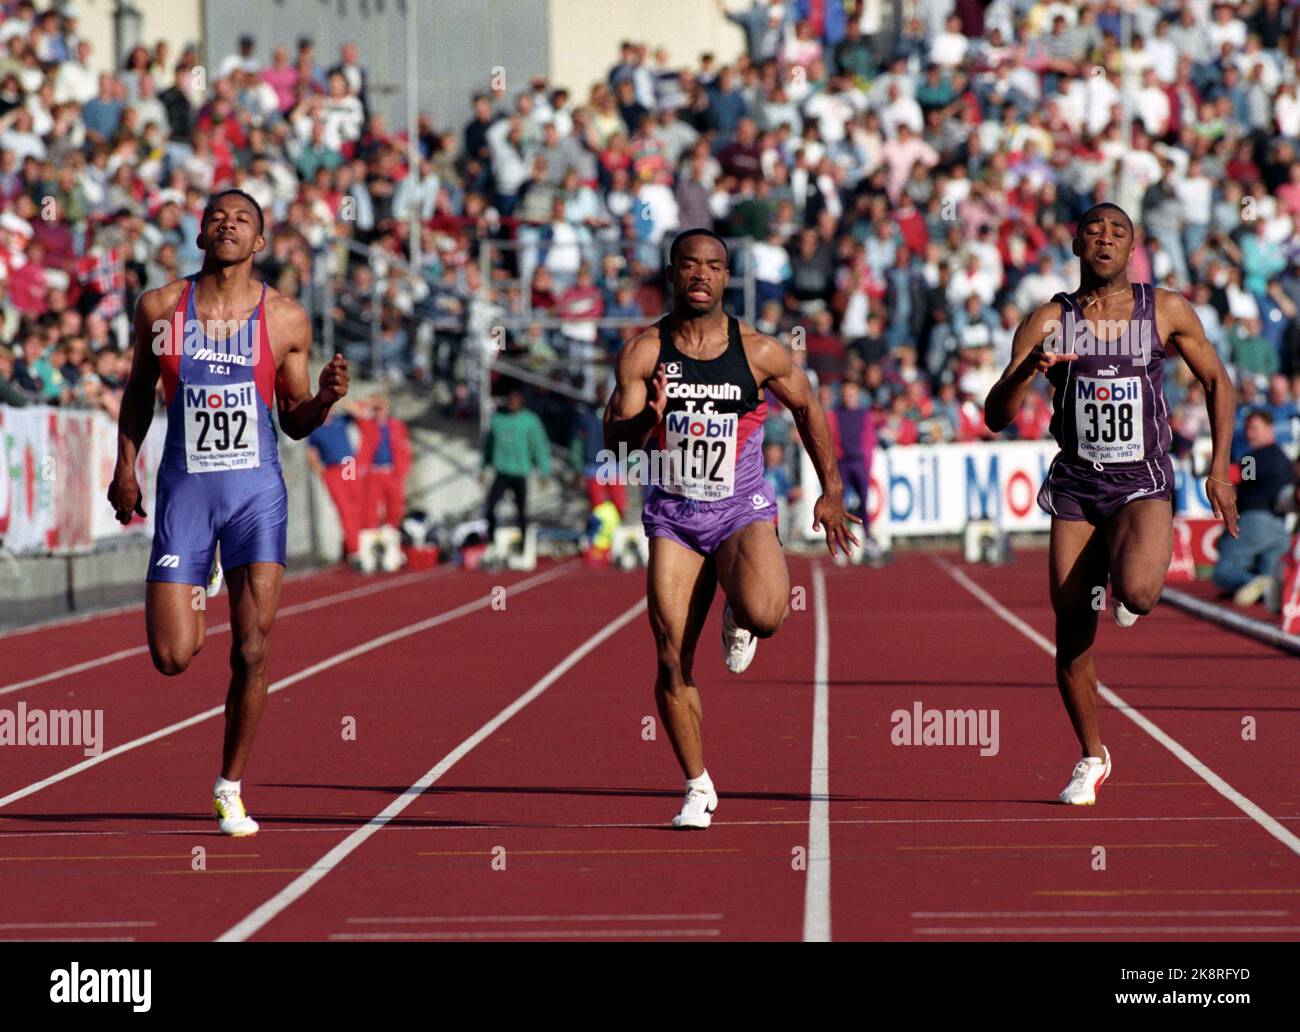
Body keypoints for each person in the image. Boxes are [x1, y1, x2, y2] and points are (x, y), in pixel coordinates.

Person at [108, 188, 349, 836]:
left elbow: (294, 421)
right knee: (171, 655)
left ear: (262, 242)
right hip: (187, 492)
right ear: (199, 235)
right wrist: (124, 464)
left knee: (251, 646)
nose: (228, 225)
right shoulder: (160, 308)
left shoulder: (285, 319)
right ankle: (200, 566)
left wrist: (322, 399)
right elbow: (137, 391)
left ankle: (229, 784)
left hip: (255, 497)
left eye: (243, 219)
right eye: (217, 216)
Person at [984, 203, 1239, 807]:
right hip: (1076, 482)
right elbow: (998, 415)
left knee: (1142, 593)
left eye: (1118, 232)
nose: (1105, 239)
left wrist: (1221, 469)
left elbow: (1217, 381)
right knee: (1071, 630)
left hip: (1141, 477)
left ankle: (1128, 584)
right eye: (1094, 230)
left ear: (1133, 249)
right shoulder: (1050, 318)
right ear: (1075, 244)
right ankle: (1092, 756)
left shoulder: (1164, 310)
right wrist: (1029, 370)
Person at [603, 228, 858, 829]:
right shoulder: (643, 352)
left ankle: (739, 613)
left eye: (712, 266)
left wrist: (832, 489)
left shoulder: (760, 351)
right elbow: (613, 441)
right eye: (688, 265)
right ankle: (697, 786)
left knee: (770, 614)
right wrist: (647, 418)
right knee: (670, 658)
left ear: (725, 277)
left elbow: (807, 406)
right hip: (673, 515)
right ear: (672, 274)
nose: (700, 275)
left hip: (740, 507)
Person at [1212, 409, 1296, 606]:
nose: (1250, 433)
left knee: (1224, 573)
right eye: (1248, 429)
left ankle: (1255, 584)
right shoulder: (1282, 457)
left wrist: (1215, 472)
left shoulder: (1256, 457)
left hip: (1256, 521)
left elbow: (1234, 476)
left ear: (1270, 429)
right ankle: (1270, 589)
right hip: (1280, 528)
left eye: (1255, 428)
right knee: (1267, 574)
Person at [481, 387, 551, 550]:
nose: (512, 404)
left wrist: (544, 471)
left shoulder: (530, 421)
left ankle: (523, 543)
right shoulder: (497, 420)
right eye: (510, 400)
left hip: (520, 473)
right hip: (502, 472)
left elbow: (539, 446)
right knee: (490, 506)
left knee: (521, 510)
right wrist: (483, 468)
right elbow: (488, 447)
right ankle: (490, 540)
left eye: (515, 400)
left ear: (521, 403)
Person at [355, 392, 411, 572]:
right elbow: (351, 407)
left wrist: (403, 470)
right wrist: (370, 403)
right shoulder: (367, 425)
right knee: (370, 512)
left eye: (382, 407)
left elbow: (404, 448)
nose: (379, 411)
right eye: (376, 408)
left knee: (395, 510)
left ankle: (391, 552)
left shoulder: (396, 426)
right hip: (373, 472)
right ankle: (368, 557)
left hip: (392, 472)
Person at [307, 403, 363, 567]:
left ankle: (355, 544)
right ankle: (354, 549)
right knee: (344, 508)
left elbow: (360, 414)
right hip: (332, 468)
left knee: (356, 505)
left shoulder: (341, 420)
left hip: (348, 464)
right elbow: (311, 452)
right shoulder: (316, 429)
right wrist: (320, 470)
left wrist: (338, 402)